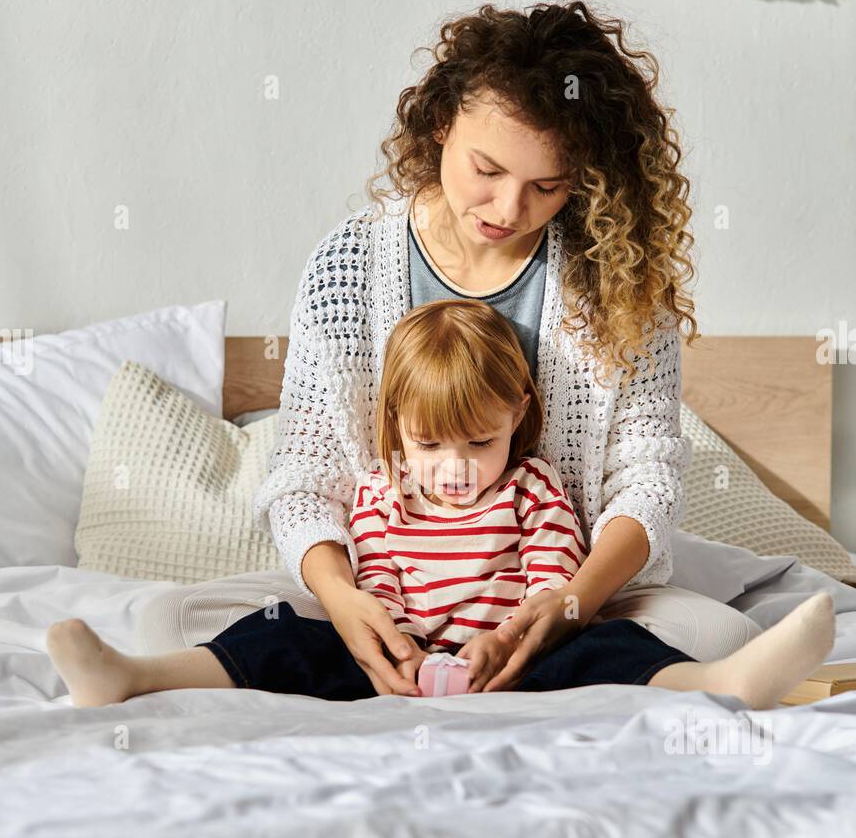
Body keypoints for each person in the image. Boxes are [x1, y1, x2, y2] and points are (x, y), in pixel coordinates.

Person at [45, 299, 835, 709]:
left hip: (517, 652)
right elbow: (375, 579)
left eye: (479, 444)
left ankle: (723, 685)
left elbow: (555, 576)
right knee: (280, 639)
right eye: (430, 447)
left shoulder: (533, 489)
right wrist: (392, 644)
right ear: (394, 430)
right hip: (403, 652)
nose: (455, 470)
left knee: (608, 653)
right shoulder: (381, 495)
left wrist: (524, 631)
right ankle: (136, 677)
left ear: (519, 415)